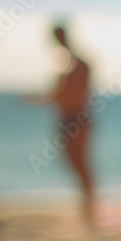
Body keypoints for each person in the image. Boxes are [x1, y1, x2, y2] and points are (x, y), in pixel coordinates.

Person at [27, 24, 94, 221]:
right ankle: (87, 209)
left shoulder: (73, 63)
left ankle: (88, 211)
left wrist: (36, 100)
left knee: (80, 167)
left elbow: (61, 94)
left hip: (74, 119)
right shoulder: (74, 62)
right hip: (73, 119)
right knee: (79, 167)